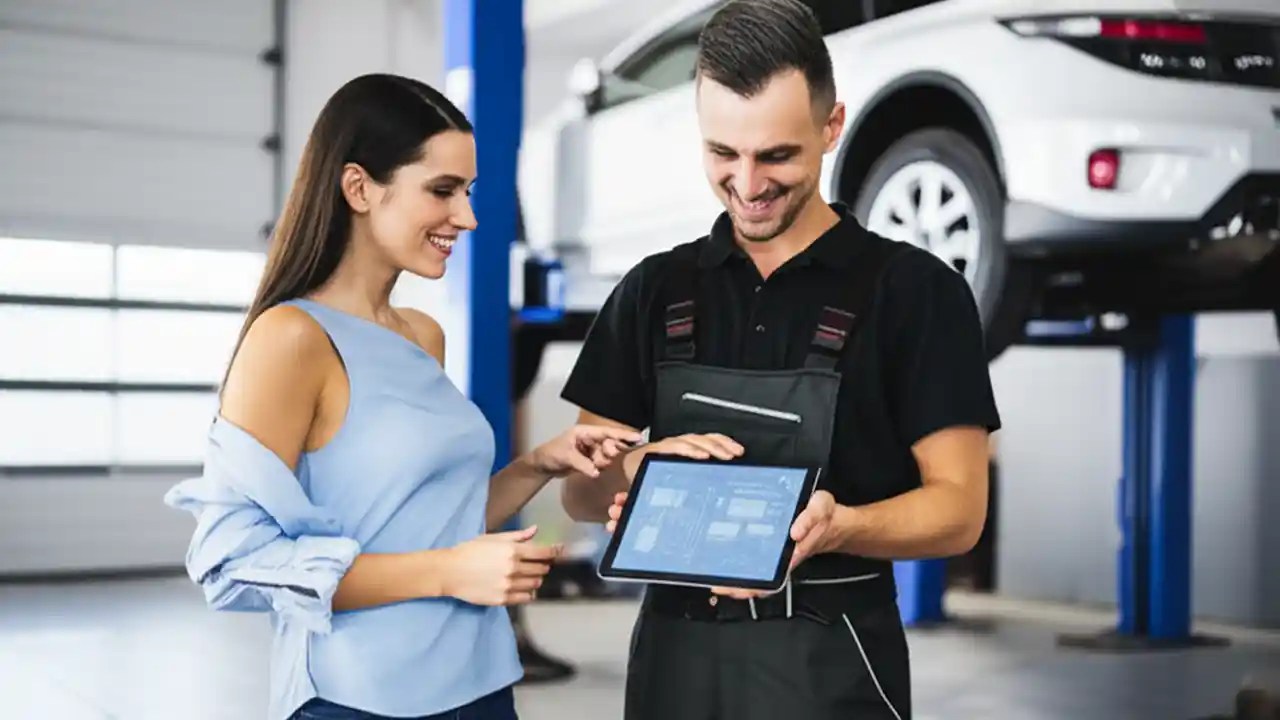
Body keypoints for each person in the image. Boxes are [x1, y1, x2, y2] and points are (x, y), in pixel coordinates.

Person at [557, 2, 1002, 719]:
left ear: (832, 128)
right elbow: (579, 493)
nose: (748, 183)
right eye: (722, 154)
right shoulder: (653, 291)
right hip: (674, 666)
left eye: (776, 156)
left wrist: (844, 527)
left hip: (831, 664)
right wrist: (635, 465)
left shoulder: (918, 296)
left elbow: (959, 510)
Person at [163, 73, 639, 720]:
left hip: (482, 683)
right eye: (442, 191)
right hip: (361, 700)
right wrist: (447, 574)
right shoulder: (292, 339)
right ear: (359, 188)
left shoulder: (423, 335)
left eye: (468, 192)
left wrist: (537, 465)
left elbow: (432, 519)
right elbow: (230, 562)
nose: (468, 218)